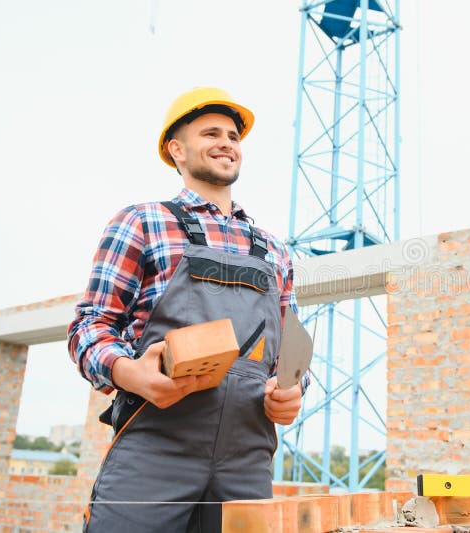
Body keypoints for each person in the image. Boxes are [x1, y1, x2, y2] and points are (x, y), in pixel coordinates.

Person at [67, 86, 307, 531]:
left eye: (234, 135)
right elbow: (90, 324)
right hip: (156, 448)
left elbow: (291, 352)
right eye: (210, 133)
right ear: (176, 150)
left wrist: (291, 391)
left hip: (247, 459)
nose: (227, 143)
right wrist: (126, 370)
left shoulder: (275, 250)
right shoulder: (141, 222)